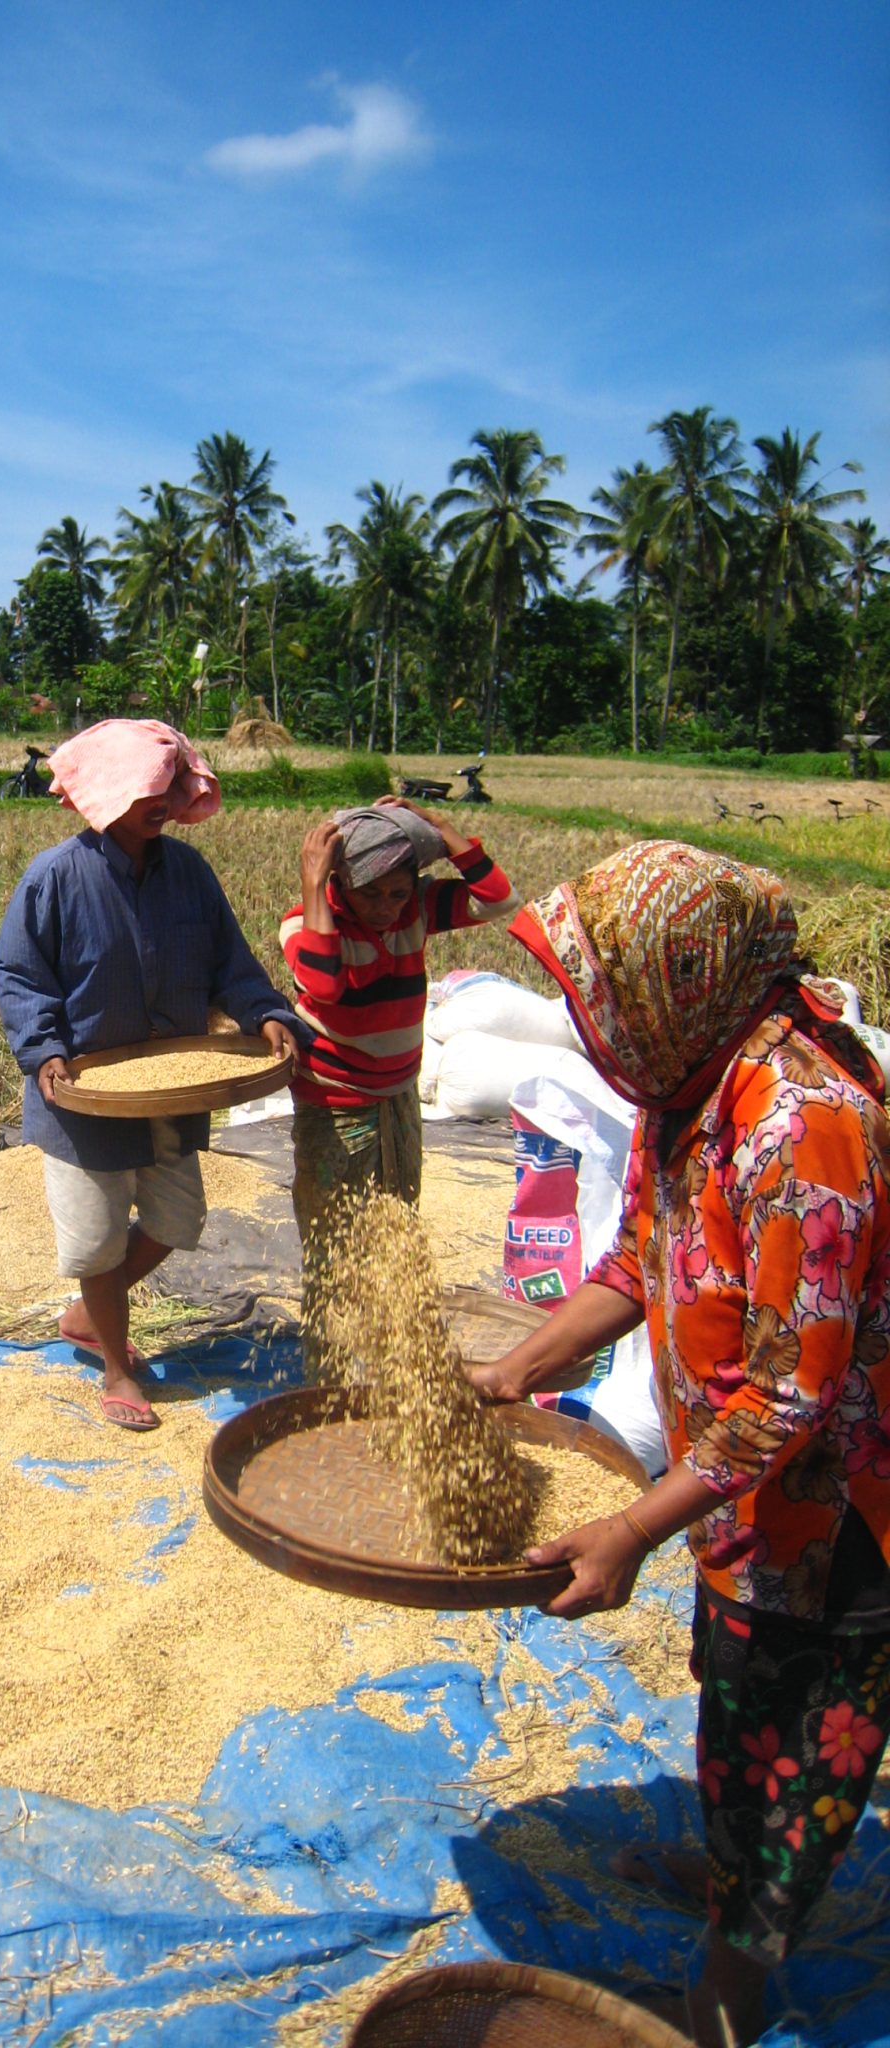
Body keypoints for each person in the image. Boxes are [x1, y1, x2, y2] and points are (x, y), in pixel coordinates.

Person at [468, 839, 890, 2048]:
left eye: (603, 994)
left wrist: (632, 1527)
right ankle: (728, 1864)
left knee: (802, 1748)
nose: (591, 1025)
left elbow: (792, 1393)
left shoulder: (807, 1129)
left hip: (843, 1513)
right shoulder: (693, 1078)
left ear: (679, 978)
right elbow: (641, 1259)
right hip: (743, 1491)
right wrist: (518, 1369)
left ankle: (732, 1980)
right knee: (737, 1694)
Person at [0, 718, 300, 1431]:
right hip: (84, 1099)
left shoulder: (189, 874)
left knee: (177, 1220)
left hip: (170, 1084)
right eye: (141, 793)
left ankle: (85, 1312)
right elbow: (18, 974)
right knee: (96, 1239)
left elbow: (231, 962)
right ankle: (118, 1365)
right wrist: (45, 1051)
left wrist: (265, 1012)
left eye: (165, 788)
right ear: (103, 797)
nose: (158, 803)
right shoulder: (56, 878)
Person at [279, 798, 518, 1248]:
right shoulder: (302, 924)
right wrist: (313, 887)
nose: (386, 908)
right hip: (336, 1101)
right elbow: (323, 985)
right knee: (336, 1235)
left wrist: (440, 828)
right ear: (340, 881)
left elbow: (499, 898)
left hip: (398, 1093)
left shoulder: (418, 910)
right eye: (370, 893)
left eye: (398, 893)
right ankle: (333, 1320)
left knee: (396, 1221)